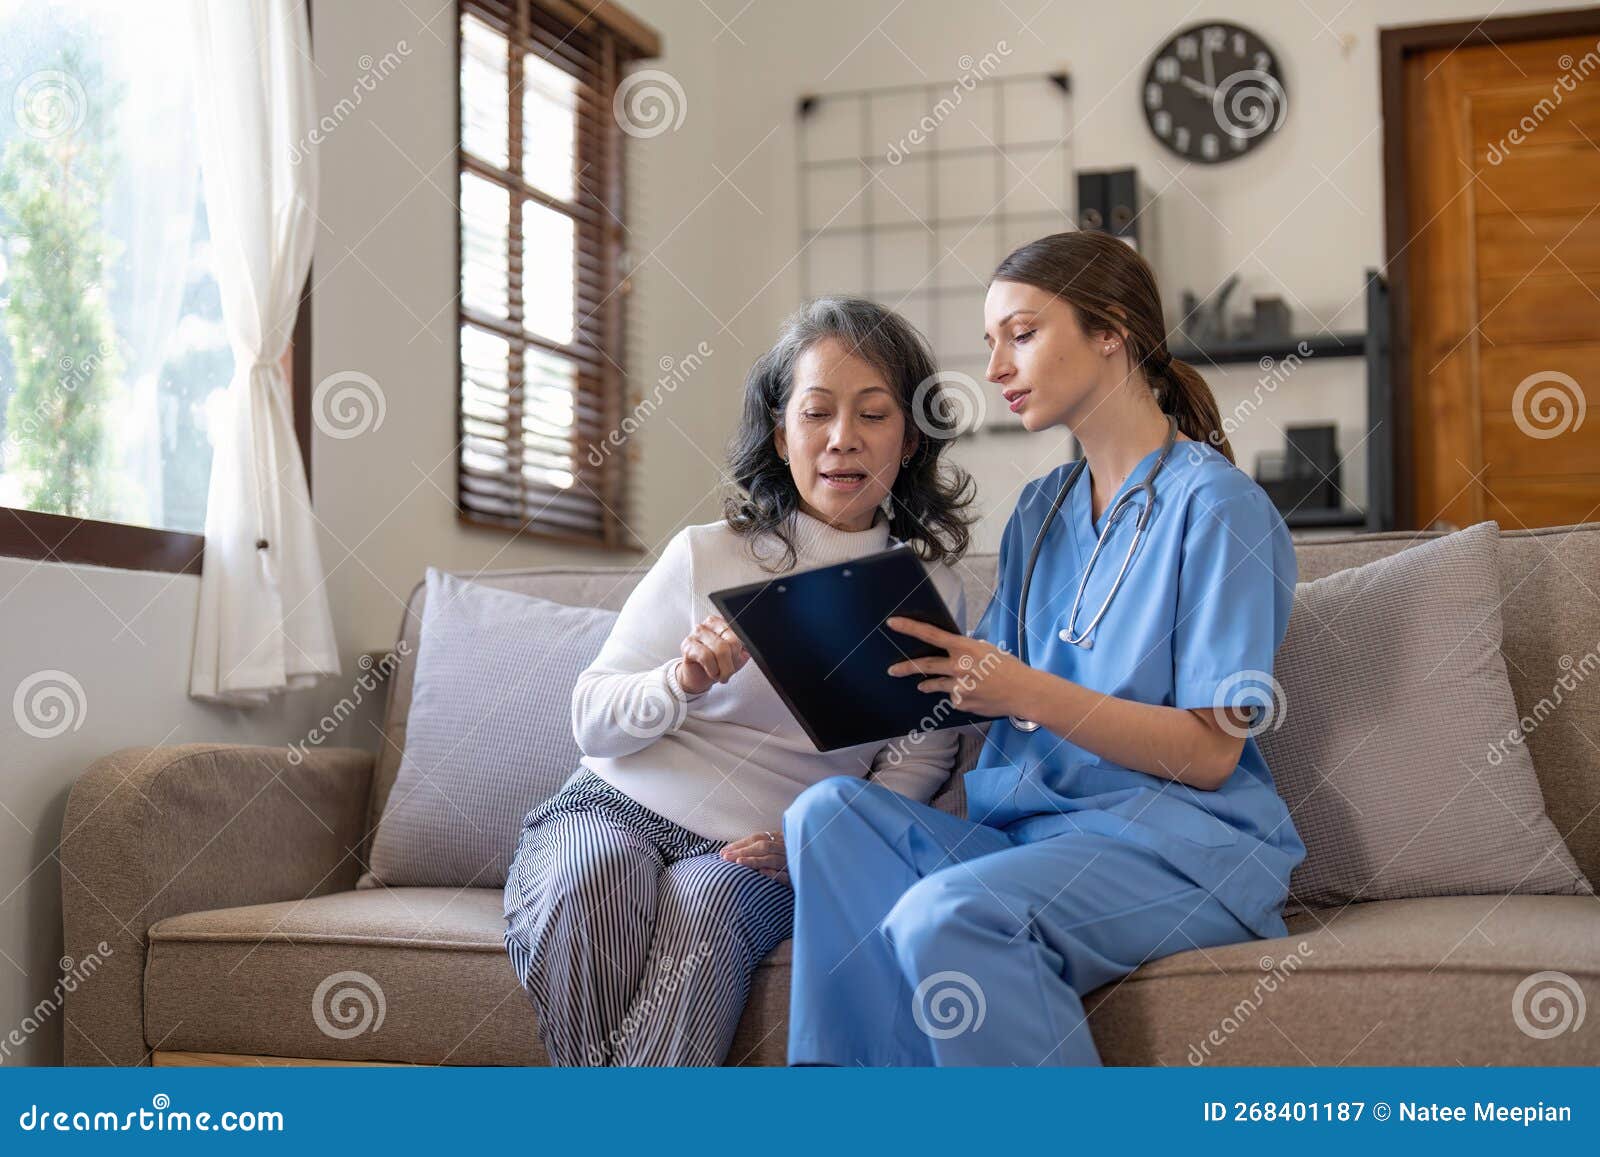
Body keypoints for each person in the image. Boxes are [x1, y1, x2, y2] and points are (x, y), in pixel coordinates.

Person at [782, 230, 1308, 1066]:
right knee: (824, 816)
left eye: (1021, 335)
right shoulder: (1040, 510)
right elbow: (980, 692)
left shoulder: (1218, 507)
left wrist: (1025, 690)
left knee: (945, 913)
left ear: (1112, 332)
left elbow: (1211, 756)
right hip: (1033, 840)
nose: (995, 368)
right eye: (990, 344)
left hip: (1180, 849)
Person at [503, 297, 977, 1065]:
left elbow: (918, 756)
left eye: (873, 414)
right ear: (782, 430)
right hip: (616, 804)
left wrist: (816, 840)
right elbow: (592, 720)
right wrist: (678, 680)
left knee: (708, 905)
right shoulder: (706, 552)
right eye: (816, 412)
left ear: (911, 435)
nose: (842, 439)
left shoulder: (932, 591)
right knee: (595, 875)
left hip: (763, 848)